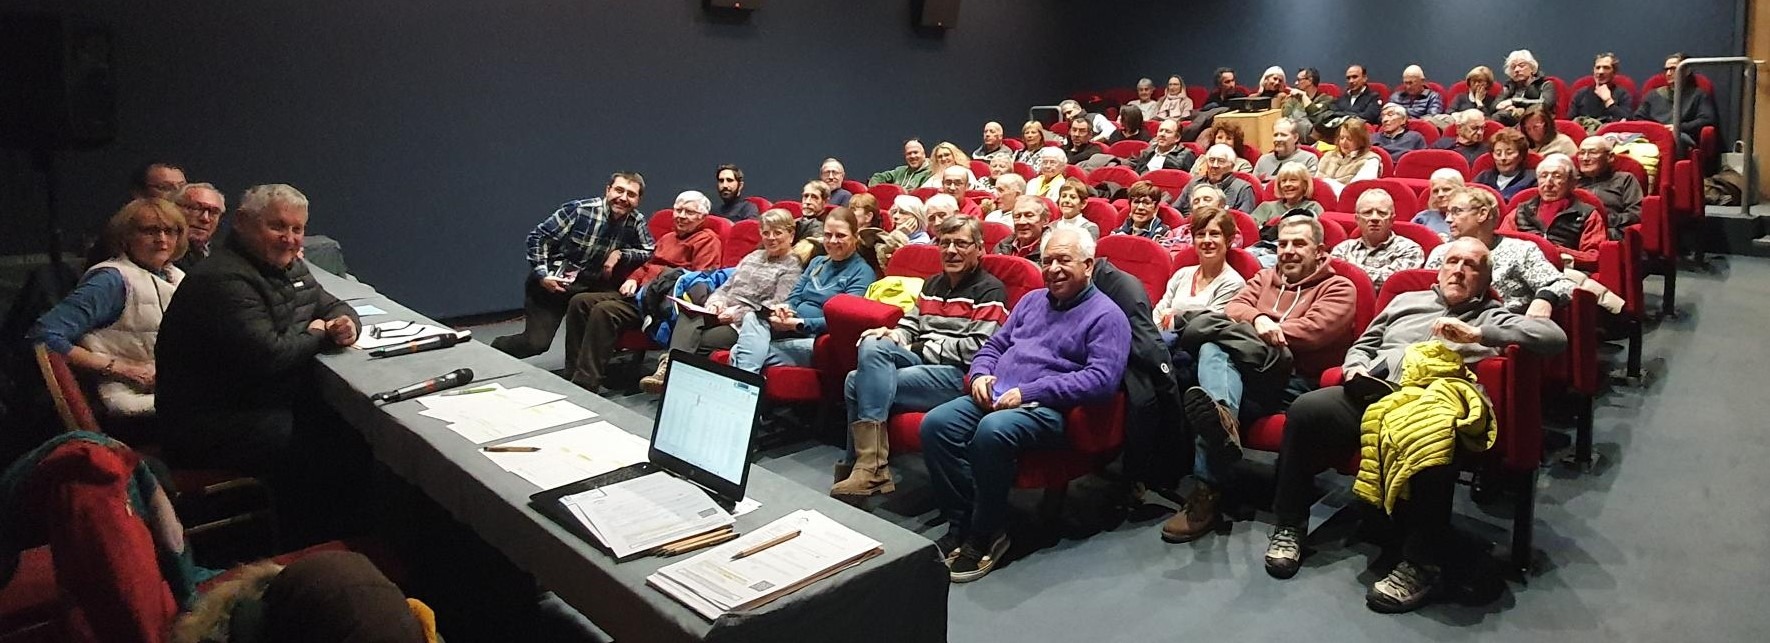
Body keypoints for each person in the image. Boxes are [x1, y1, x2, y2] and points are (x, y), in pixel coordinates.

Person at [1265, 238, 1566, 613]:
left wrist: (1478, 335)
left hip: (1430, 404)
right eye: (1452, 261)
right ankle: (1291, 524)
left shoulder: (1491, 314)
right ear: (1439, 268)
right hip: (1374, 394)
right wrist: (1355, 366)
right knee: (1307, 409)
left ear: (1485, 278)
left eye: (1470, 265)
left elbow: (1554, 338)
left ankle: (1421, 562)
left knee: (1430, 437)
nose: (1458, 270)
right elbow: (1365, 342)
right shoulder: (1406, 300)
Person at [922, 228, 1129, 582]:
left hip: (1048, 411)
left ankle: (988, 532)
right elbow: (993, 345)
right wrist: (981, 374)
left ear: (1089, 265)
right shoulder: (1032, 300)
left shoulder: (1108, 317)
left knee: (992, 431)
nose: (1054, 269)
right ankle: (965, 519)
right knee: (936, 425)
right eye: (1048, 261)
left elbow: (1102, 381)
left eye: (1064, 260)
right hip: (998, 393)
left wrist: (1031, 392)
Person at [1162, 215, 1356, 543]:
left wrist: (1265, 329)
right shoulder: (1264, 277)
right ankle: (1222, 420)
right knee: (1213, 349)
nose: (1288, 251)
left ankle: (1207, 491)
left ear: (1320, 251)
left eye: (1299, 244)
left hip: (1293, 381)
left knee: (1207, 335)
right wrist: (1260, 318)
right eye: (1282, 244)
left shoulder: (1339, 287)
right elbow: (1236, 307)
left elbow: (1314, 332)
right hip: (1248, 373)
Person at [157, 184, 359, 475]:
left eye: (297, 229)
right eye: (277, 226)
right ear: (241, 222)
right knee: (341, 444)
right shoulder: (222, 278)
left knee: (346, 425)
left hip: (260, 404)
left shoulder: (287, 265)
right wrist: (320, 334)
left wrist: (345, 325)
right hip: (212, 426)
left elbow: (332, 305)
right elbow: (271, 356)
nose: (288, 239)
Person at [833, 217, 1007, 499]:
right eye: (945, 243)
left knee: (856, 381)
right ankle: (864, 466)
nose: (952, 251)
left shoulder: (990, 290)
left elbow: (978, 348)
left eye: (961, 244)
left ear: (979, 249)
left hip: (954, 375)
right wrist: (892, 334)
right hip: (923, 363)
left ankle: (864, 465)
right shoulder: (932, 284)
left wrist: (921, 347)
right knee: (873, 342)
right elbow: (909, 327)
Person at [29, 199, 188, 419]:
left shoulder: (176, 277)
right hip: (126, 402)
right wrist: (123, 368)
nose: (162, 239)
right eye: (150, 230)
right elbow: (44, 336)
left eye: (170, 231)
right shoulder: (111, 280)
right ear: (125, 237)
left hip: (170, 392)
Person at [562, 190, 722, 391]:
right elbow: (647, 265)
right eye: (678, 210)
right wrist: (632, 279)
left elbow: (699, 280)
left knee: (604, 311)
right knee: (580, 301)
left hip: (659, 304)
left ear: (702, 218)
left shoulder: (707, 240)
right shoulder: (668, 237)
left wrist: (658, 281)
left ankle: (586, 381)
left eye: (689, 212)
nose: (681, 216)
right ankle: (571, 371)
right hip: (638, 292)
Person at [640, 209, 802, 394]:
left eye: (777, 232)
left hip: (746, 325)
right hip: (719, 313)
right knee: (689, 313)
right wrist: (715, 302)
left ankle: (670, 374)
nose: (771, 238)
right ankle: (673, 376)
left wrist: (736, 314)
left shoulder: (792, 266)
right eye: (766, 232)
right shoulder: (753, 256)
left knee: (696, 341)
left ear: (791, 234)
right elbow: (726, 287)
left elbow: (774, 306)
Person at [491, 172, 652, 358]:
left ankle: (577, 380)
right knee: (535, 344)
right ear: (608, 190)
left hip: (589, 286)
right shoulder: (580, 210)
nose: (623, 198)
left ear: (638, 200)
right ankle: (494, 350)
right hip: (552, 283)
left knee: (593, 336)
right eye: (619, 190)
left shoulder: (636, 220)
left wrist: (621, 254)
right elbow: (538, 238)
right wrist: (542, 275)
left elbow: (649, 251)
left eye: (631, 194)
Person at [730, 208, 877, 373]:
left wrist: (800, 324)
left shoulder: (862, 272)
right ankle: (746, 383)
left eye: (840, 236)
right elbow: (794, 297)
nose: (833, 241)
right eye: (828, 235)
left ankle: (743, 386)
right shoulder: (817, 263)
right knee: (752, 318)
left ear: (855, 237)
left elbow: (844, 322)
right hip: (790, 330)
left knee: (738, 352)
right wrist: (785, 310)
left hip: (818, 340)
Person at [1425, 187, 1571, 316]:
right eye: (1448, 213)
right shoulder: (1441, 252)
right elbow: (1425, 294)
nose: (1448, 220)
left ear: (1483, 214)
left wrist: (1544, 299)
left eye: (1457, 212)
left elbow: (1562, 285)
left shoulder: (1520, 251)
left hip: (1498, 331)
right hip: (1442, 323)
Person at [1501, 154, 1605, 268]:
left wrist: (1555, 251)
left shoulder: (1588, 214)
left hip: (1566, 271)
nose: (1548, 183)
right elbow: (1501, 246)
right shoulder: (1520, 211)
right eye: (1543, 176)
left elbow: (1594, 256)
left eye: (1557, 176)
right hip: (1523, 269)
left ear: (1572, 183)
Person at [1154, 207, 1246, 331]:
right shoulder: (1181, 274)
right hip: (1164, 342)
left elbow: (1205, 326)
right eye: (1201, 234)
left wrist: (1174, 316)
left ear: (1228, 241)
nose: (1207, 240)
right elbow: (1157, 315)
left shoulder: (1234, 283)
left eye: (1214, 234)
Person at [1331, 188, 1425, 289]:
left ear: (1392, 219)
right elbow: (1332, 278)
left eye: (1382, 213)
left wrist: (1349, 270)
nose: (1374, 218)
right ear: (1357, 219)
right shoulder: (1342, 248)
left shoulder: (1410, 249)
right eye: (1367, 212)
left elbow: (1392, 282)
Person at [1633, 52, 1719, 150]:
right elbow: (1638, 118)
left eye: (1673, 69)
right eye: (1666, 70)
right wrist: (1655, 129)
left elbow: (1707, 120)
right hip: (1654, 136)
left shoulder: (1698, 95)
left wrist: (1678, 127)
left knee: (1675, 139)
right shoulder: (1653, 95)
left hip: (1681, 136)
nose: (1668, 73)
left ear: (1687, 71)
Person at [1575, 135, 1644, 229]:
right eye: (1581, 153)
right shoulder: (1572, 182)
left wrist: (1600, 221)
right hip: (1574, 233)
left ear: (1610, 157)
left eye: (1592, 153)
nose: (1585, 158)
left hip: (1610, 232)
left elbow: (1636, 214)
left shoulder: (1625, 179)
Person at [1176, 144, 1257, 215]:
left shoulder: (1243, 189)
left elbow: (1244, 222)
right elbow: (1176, 211)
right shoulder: (1194, 183)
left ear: (1232, 166)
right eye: (1211, 160)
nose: (1215, 165)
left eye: (1221, 161)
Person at [1249, 162, 1325, 232]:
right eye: (1284, 181)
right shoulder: (1266, 207)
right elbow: (1251, 230)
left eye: (1293, 180)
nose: (1287, 184)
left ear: (1304, 185)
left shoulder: (1313, 207)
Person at [1494, 49, 1556, 126]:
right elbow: (1494, 107)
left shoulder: (1545, 84)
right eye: (1513, 67)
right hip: (1508, 124)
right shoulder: (1509, 87)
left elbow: (1545, 104)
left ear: (1532, 68)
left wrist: (1514, 102)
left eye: (1521, 66)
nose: (1517, 70)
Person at [1318, 118, 1382, 192]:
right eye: (1342, 138)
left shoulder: (1371, 160)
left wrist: (1327, 183)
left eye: (1349, 139)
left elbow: (1356, 191)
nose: (1344, 142)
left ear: (1361, 140)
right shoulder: (1328, 155)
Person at [172, 183, 225, 270]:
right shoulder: (160, 249)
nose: (205, 218)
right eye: (196, 208)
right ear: (174, 208)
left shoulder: (223, 256)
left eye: (214, 212)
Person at [1473, 128, 1537, 201]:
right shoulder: (1483, 177)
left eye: (1509, 153)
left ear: (1521, 155)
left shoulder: (1533, 180)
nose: (1503, 158)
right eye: (1498, 153)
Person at [1570, 52, 1633, 123]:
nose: (1601, 72)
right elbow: (1570, 123)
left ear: (1614, 72)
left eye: (1606, 68)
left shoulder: (1623, 95)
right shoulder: (1580, 94)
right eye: (1598, 68)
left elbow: (1628, 121)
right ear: (1593, 71)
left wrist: (1608, 101)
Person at [1254, 119, 1319, 180]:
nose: (1278, 139)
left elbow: (1309, 187)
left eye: (1283, 135)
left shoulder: (1309, 159)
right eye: (1275, 135)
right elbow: (1255, 187)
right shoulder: (1263, 160)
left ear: (1295, 138)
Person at [1127, 119, 1196, 172]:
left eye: (1168, 131)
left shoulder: (1186, 155)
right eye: (1160, 130)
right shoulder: (1148, 151)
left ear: (1177, 138)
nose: (1162, 134)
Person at [994, 195, 1050, 262]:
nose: (1021, 221)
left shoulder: (1051, 250)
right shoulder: (1003, 246)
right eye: (1017, 216)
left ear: (1045, 220)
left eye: (1029, 216)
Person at [1414, 168, 1466, 235]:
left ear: (1461, 190)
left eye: (1446, 189)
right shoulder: (1422, 218)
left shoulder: (1471, 218)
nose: (1440, 195)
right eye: (1435, 191)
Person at [1189, 123, 1254, 175]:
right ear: (1214, 140)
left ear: (1235, 143)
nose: (1223, 141)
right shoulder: (1202, 159)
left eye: (1228, 138)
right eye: (1220, 137)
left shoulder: (1243, 165)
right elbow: (1190, 183)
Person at [869, 138, 934, 188]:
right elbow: (877, 177)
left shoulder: (931, 172)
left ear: (924, 154)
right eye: (909, 153)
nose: (912, 156)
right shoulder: (900, 171)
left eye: (915, 152)